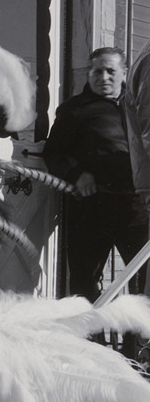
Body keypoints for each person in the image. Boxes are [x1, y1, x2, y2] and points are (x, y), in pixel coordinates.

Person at [44, 47, 150, 300]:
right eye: (97, 71)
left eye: (110, 71)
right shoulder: (75, 110)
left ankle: (138, 339)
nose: (104, 77)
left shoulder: (135, 105)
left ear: (124, 73)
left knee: (143, 277)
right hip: (93, 208)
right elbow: (53, 153)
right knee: (85, 280)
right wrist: (78, 174)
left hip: (134, 207)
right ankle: (91, 339)